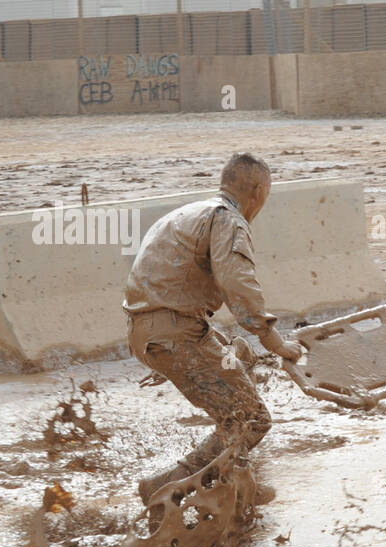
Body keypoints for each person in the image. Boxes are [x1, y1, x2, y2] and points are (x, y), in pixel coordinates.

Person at [123, 153, 304, 504]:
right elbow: (238, 286)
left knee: (241, 357)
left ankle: (236, 478)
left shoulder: (189, 213)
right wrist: (276, 342)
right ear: (258, 192)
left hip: (148, 331)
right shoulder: (229, 220)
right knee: (252, 419)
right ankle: (167, 487)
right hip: (174, 332)